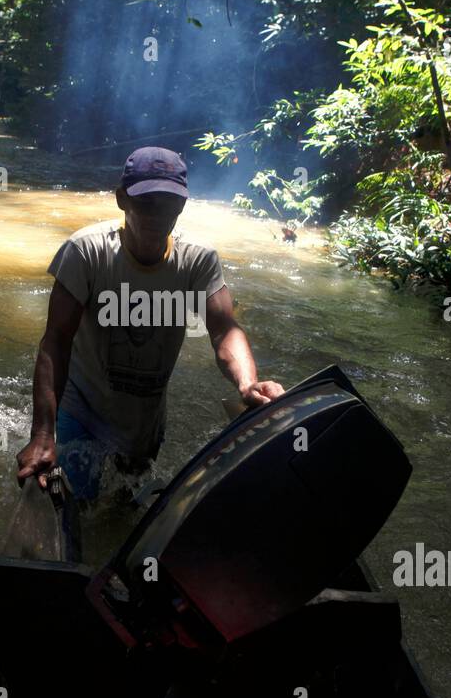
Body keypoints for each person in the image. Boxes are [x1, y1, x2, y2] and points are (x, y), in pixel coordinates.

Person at [16, 146, 285, 500]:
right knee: (79, 506)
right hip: (82, 410)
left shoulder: (198, 260)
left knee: (123, 509)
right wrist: (41, 434)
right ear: (121, 199)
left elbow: (224, 330)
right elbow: (56, 342)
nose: (158, 215)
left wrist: (247, 384)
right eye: (147, 203)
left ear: (183, 206)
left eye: (169, 204)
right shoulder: (85, 252)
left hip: (145, 421)